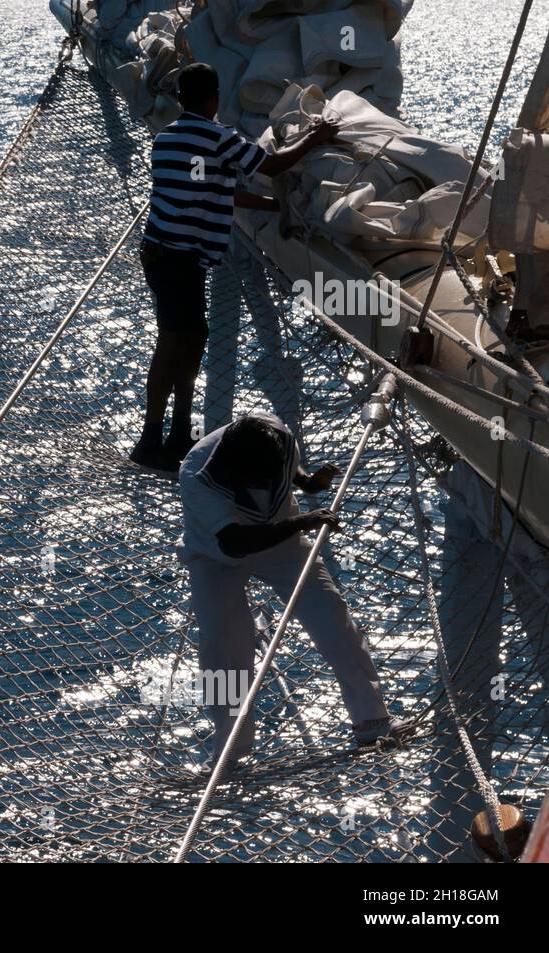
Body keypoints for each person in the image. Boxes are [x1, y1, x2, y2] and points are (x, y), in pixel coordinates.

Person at [132, 62, 339, 472]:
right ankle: (152, 439)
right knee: (175, 342)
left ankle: (175, 431)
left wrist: (274, 205)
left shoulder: (167, 138)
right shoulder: (217, 137)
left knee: (189, 339)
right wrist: (316, 136)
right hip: (179, 259)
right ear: (214, 98)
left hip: (162, 253)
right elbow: (273, 165)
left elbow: (213, 190)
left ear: (179, 98)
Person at [178, 412, 401, 768]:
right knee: (224, 652)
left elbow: (291, 470)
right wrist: (306, 520)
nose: (262, 484)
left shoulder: (279, 434)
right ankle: (229, 751)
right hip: (216, 555)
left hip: (280, 541)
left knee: (333, 620)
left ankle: (372, 721)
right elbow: (235, 542)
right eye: (254, 479)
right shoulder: (197, 476)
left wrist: (309, 484)